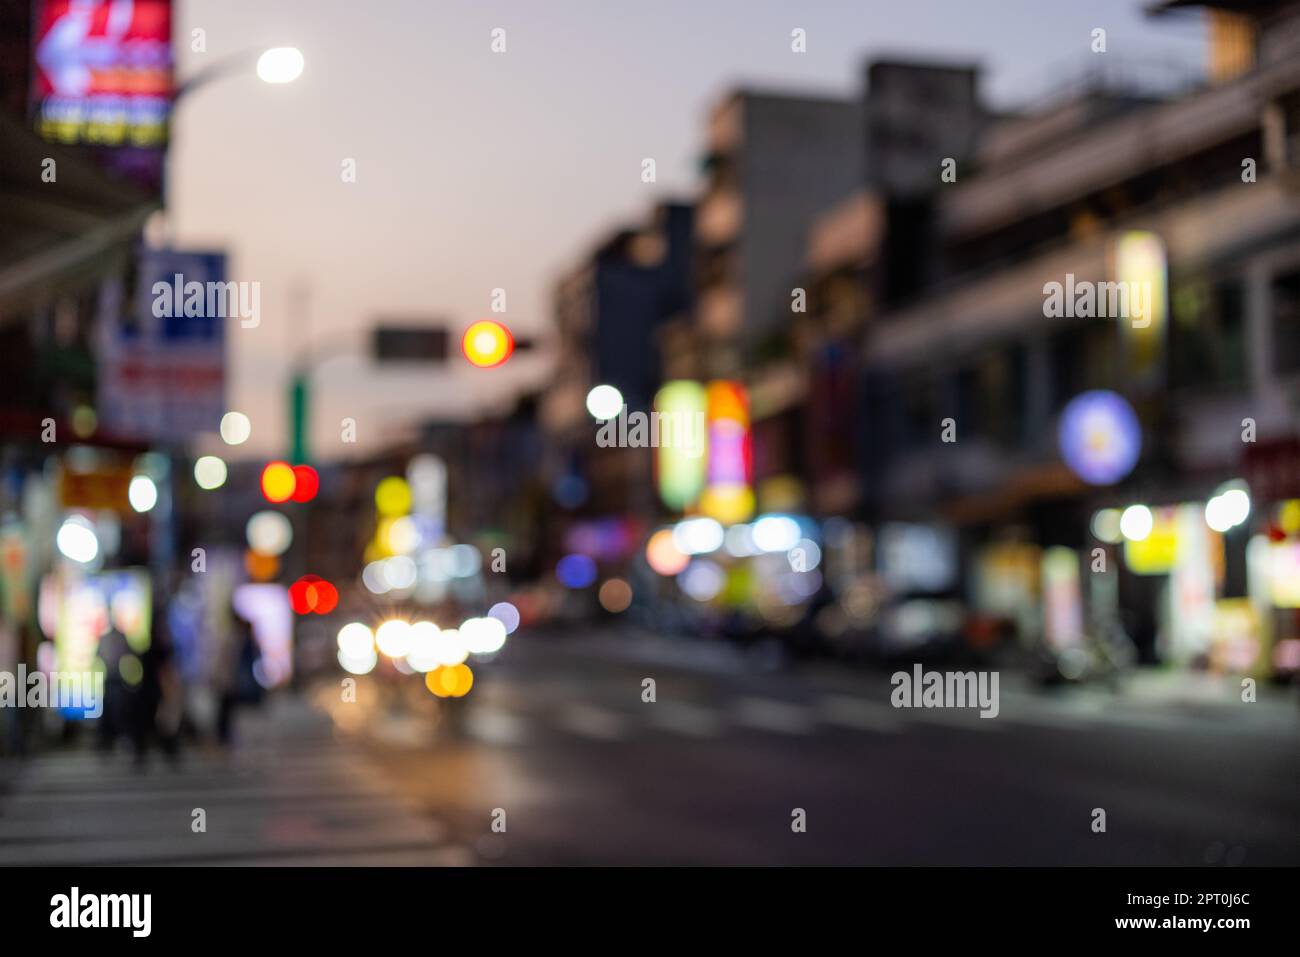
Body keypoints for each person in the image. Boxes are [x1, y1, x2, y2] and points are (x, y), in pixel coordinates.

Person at [216, 609, 263, 745]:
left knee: (229, 708)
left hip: (236, 679)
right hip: (234, 679)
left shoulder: (239, 639)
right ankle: (225, 736)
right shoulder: (238, 639)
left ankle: (227, 736)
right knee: (228, 708)